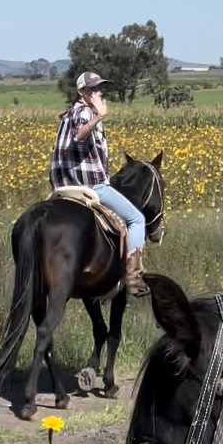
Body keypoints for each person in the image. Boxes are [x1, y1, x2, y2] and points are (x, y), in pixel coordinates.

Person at [49, 71, 149, 296]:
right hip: (90, 185)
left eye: (99, 88)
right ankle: (134, 277)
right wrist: (99, 116)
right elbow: (80, 135)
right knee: (137, 219)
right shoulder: (85, 112)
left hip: (61, 186)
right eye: (92, 89)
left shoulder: (67, 114)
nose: (98, 93)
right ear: (81, 92)